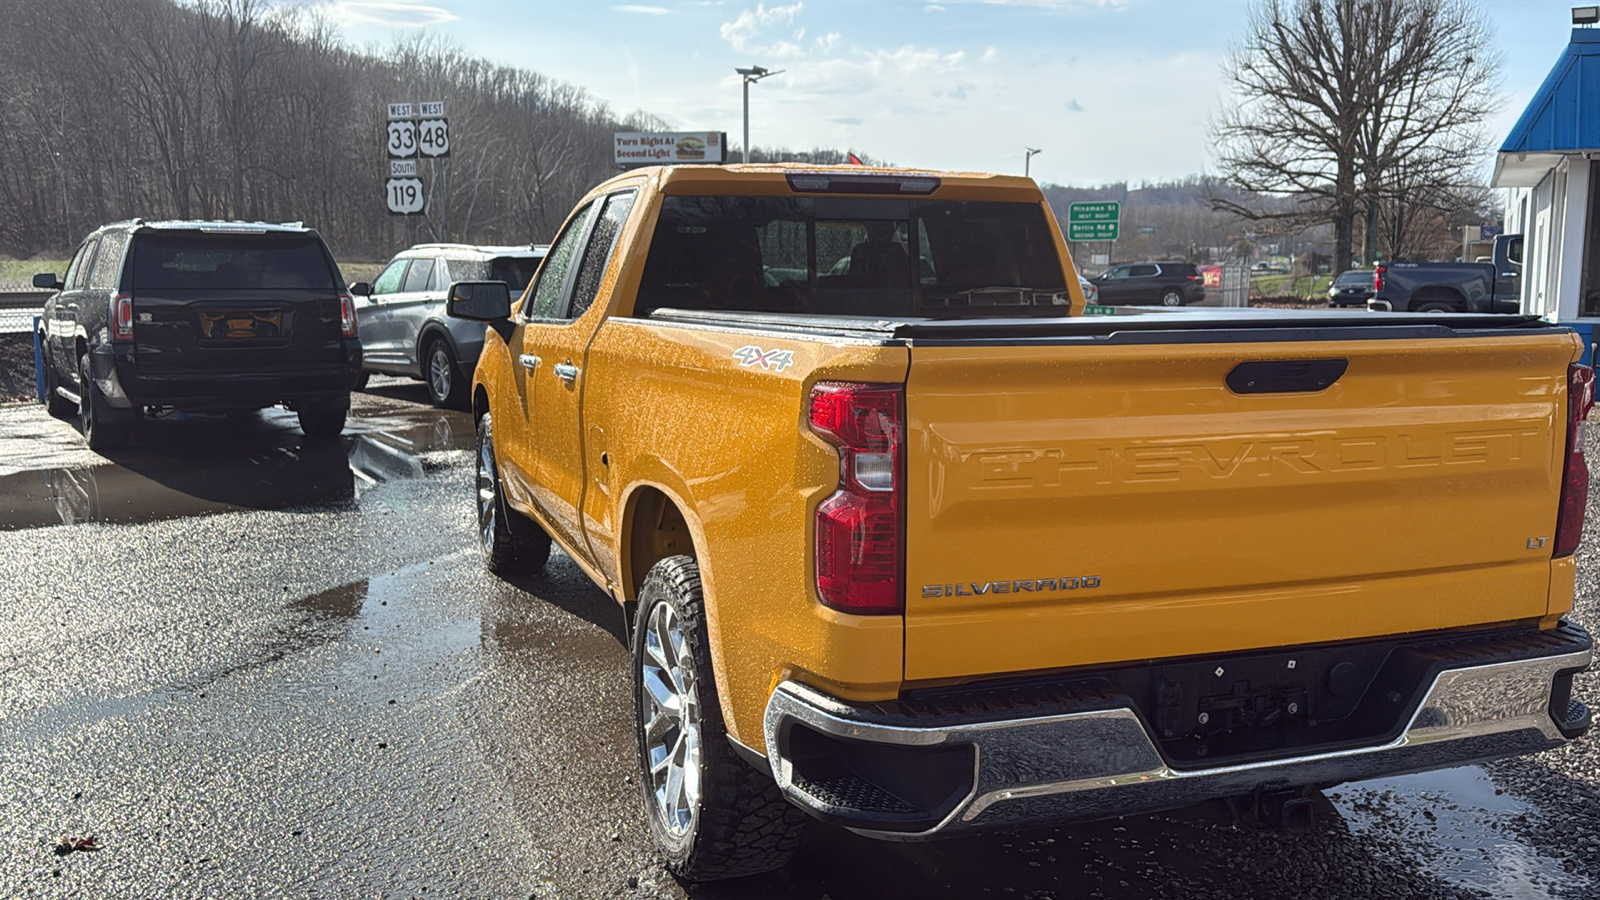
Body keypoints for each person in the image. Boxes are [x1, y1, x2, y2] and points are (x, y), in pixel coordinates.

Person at [848, 221, 909, 287]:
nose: (882, 236)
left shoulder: (898, 252)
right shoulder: (861, 252)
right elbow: (855, 281)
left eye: (886, 232)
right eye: (879, 232)